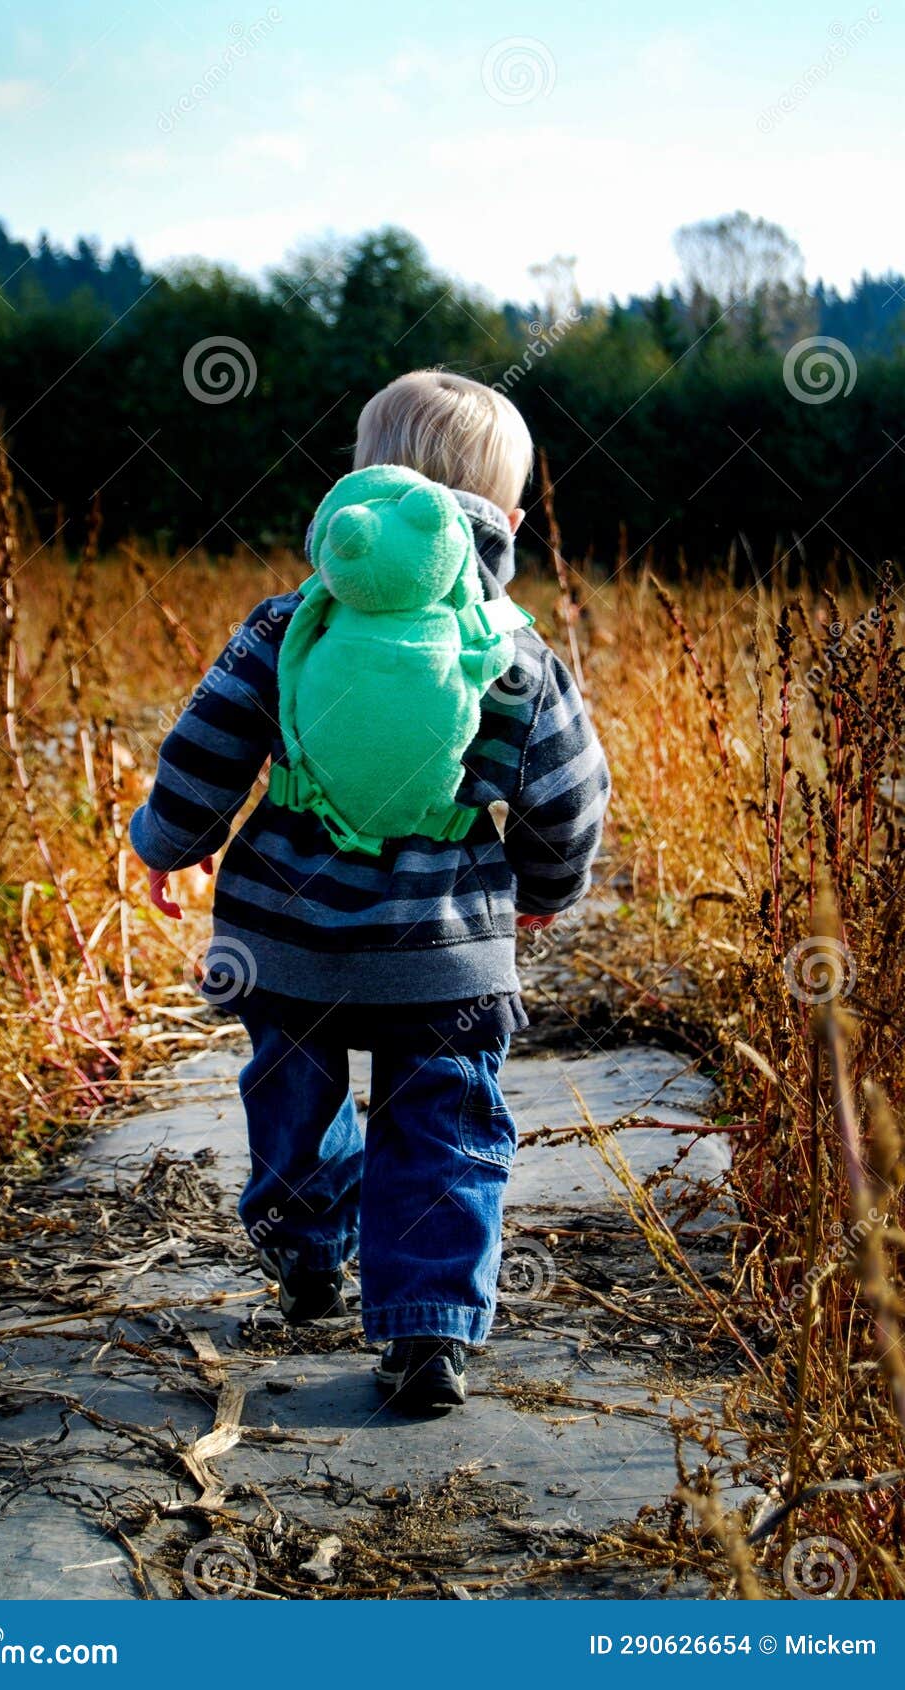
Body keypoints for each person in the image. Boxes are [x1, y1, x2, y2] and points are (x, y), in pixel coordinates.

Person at [130, 369, 610, 1412]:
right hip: (445, 951)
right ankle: (427, 1327)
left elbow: (208, 744)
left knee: (290, 1093)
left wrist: (171, 840)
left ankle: (307, 1248)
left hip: (283, 936)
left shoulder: (288, 625)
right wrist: (546, 885)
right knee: (442, 1121)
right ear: (509, 521)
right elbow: (569, 790)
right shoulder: (512, 650)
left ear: (356, 485)